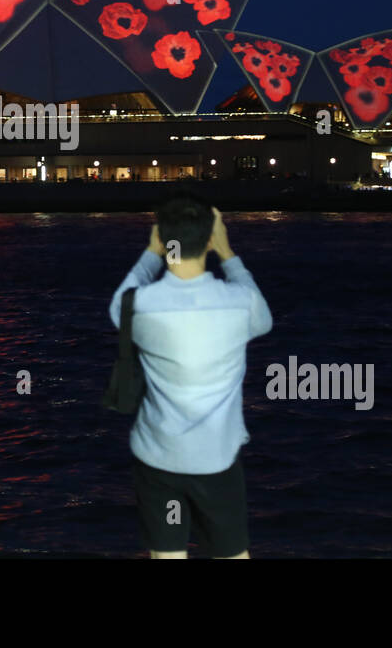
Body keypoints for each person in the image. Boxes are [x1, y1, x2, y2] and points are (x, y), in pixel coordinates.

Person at [108, 195, 273, 559]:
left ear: (162, 240)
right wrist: (228, 253)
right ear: (210, 240)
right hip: (216, 458)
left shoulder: (139, 305)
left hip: (158, 456)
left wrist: (152, 253)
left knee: (167, 555)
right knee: (231, 555)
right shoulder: (239, 303)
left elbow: (119, 302)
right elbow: (264, 320)